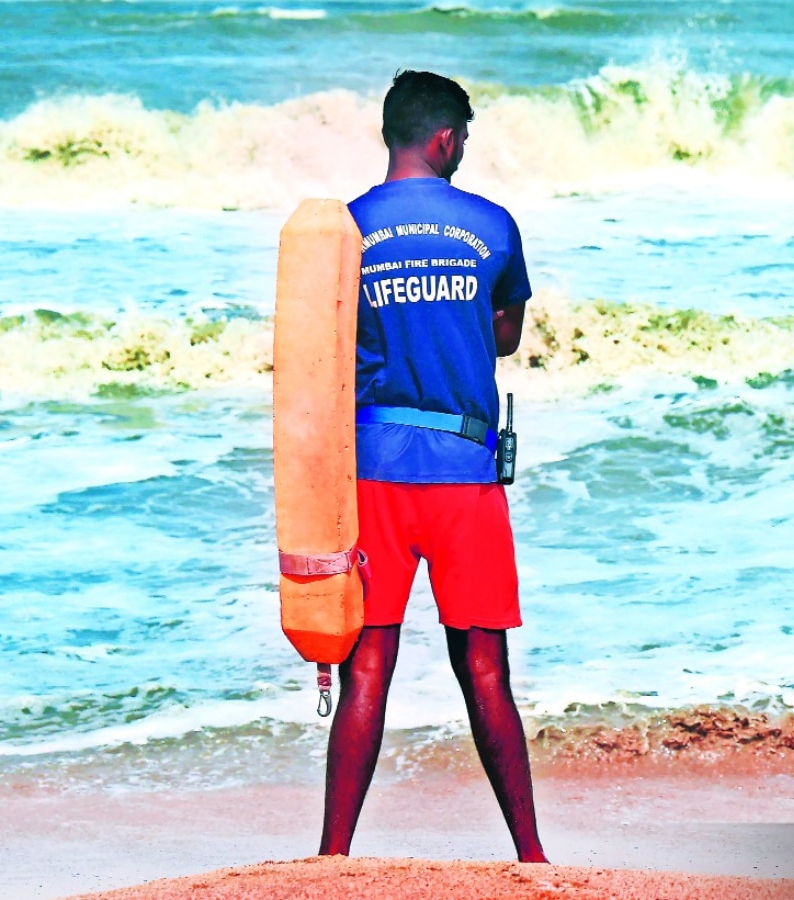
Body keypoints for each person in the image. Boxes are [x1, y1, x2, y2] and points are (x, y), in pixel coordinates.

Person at [317, 70, 546, 864]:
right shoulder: (490, 225)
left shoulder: (344, 231)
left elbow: (323, 353)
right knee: (484, 666)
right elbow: (506, 334)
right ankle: (532, 859)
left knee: (367, 666)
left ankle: (332, 857)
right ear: (446, 138)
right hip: (463, 470)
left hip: (373, 468)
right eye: (464, 139)